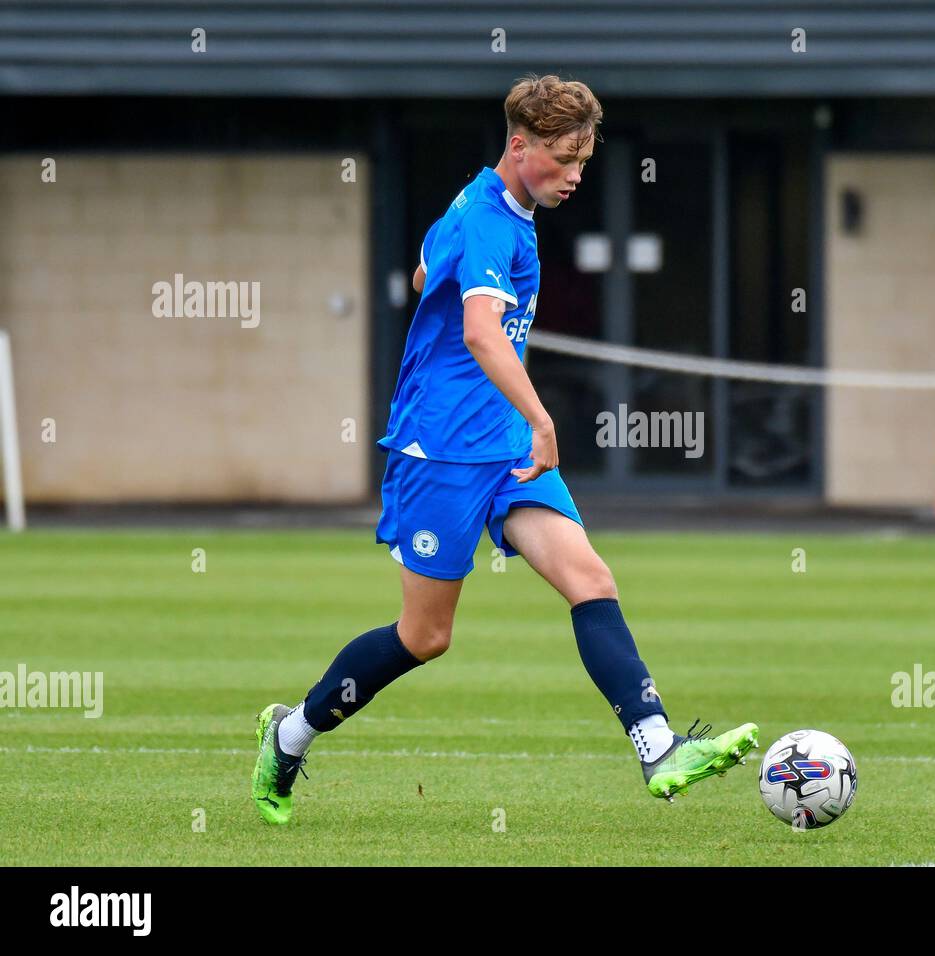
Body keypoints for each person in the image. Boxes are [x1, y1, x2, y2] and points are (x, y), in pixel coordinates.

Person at [251, 74, 757, 825]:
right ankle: (288, 735)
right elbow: (480, 331)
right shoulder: (491, 221)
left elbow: (425, 270)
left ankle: (658, 745)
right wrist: (545, 420)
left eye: (583, 161)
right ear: (519, 147)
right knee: (426, 637)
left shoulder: (486, 207)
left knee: (590, 578)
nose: (575, 176)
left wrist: (446, 287)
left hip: (504, 447)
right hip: (444, 451)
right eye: (562, 160)